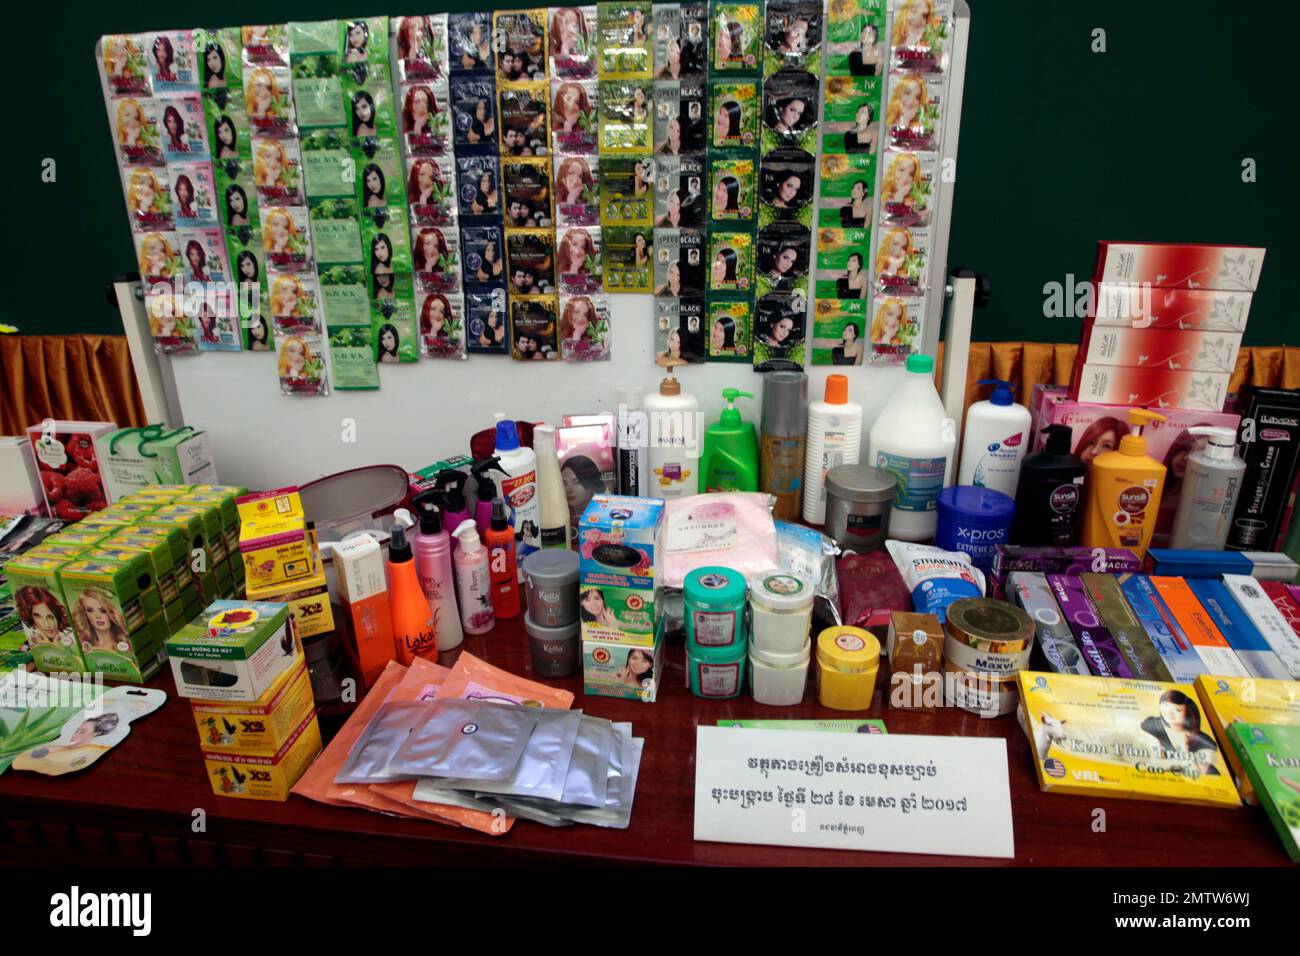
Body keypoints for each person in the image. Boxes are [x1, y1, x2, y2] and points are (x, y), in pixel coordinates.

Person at [1140, 690, 1220, 769]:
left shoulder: (1204, 741)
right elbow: (1157, 763)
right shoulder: (1153, 726)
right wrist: (1181, 761)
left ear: (1188, 714)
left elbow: (1197, 774)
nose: (1169, 712)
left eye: (1177, 710)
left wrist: (1184, 749)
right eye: (1165, 705)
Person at [74, 588, 131, 652]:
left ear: (111, 612)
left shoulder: (127, 644)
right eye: (90, 610)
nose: (98, 616)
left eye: (103, 610)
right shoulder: (81, 645)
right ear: (84, 614)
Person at [567, 460, 607, 527]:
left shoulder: (603, 513)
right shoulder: (565, 517)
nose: (568, 490)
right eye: (564, 483)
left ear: (591, 483)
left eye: (577, 482)